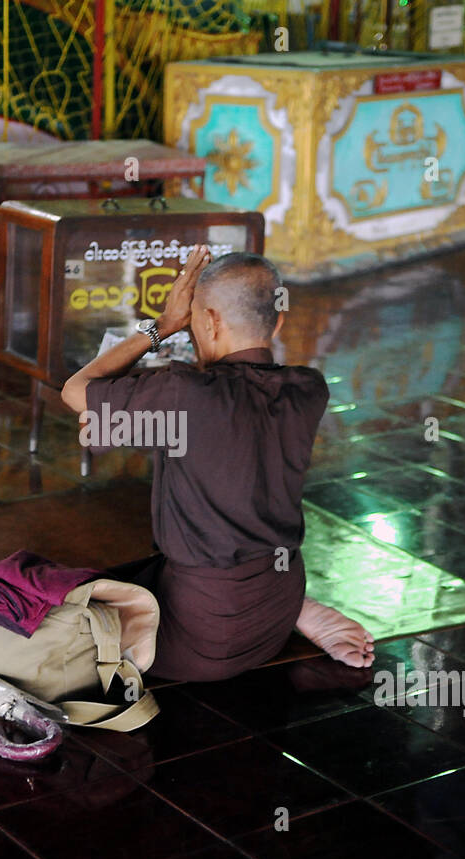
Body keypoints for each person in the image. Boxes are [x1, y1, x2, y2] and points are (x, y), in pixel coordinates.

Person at [61, 246, 375, 681]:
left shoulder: (184, 394)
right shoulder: (309, 389)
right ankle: (298, 610)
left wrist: (161, 327)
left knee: (55, 608)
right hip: (272, 615)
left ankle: (291, 612)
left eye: (192, 325)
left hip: (202, 639)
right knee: (132, 577)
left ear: (208, 321)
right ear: (278, 321)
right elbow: (229, 426)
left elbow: (77, 390)